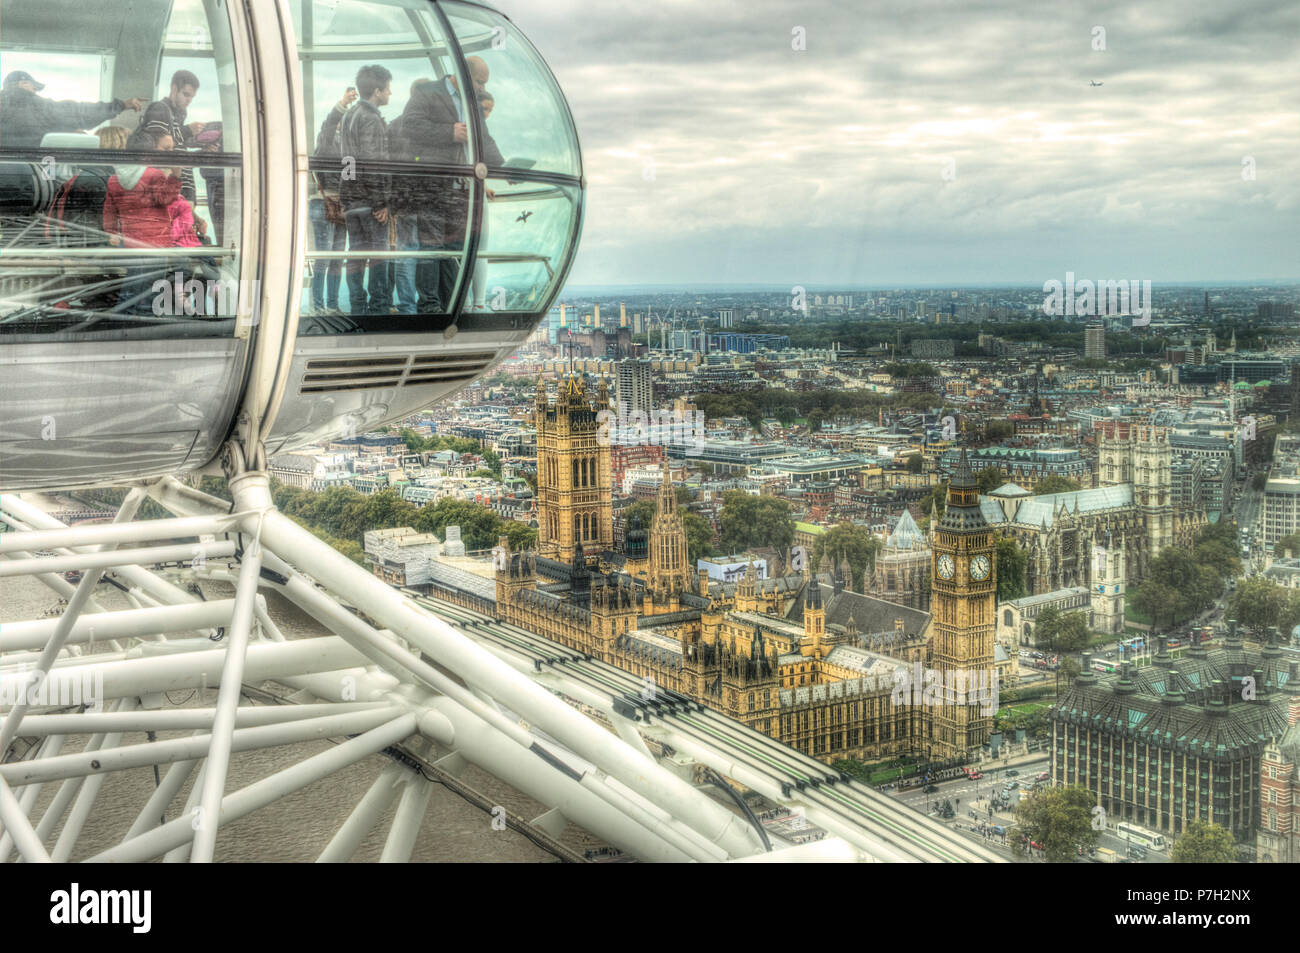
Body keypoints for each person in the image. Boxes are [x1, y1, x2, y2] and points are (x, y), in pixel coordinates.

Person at [396, 56, 494, 313]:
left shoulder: (472, 104)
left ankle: (451, 305)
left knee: (453, 248)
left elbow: (485, 139)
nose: (482, 88)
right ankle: (430, 306)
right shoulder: (427, 92)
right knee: (432, 245)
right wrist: (449, 132)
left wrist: (506, 169)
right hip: (432, 185)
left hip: (459, 190)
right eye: (480, 82)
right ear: (463, 75)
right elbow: (409, 125)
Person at [102, 128, 183, 313]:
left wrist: (111, 233)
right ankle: (144, 320)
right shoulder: (154, 174)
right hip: (156, 243)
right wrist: (176, 176)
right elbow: (165, 198)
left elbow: (109, 211)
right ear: (149, 153)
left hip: (131, 241)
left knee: (132, 285)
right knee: (152, 288)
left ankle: (124, 317)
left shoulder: (114, 178)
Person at [338, 64, 392, 316]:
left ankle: (357, 307)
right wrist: (381, 201)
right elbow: (372, 161)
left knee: (356, 253)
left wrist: (347, 197)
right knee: (378, 253)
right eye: (388, 89)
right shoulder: (370, 118)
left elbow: (347, 161)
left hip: (352, 199)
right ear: (377, 91)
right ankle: (378, 308)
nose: (390, 93)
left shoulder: (349, 115)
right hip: (370, 200)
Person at [0, 70, 145, 149]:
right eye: (34, 88)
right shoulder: (37, 106)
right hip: (31, 169)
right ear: (23, 84)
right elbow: (79, 113)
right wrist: (121, 105)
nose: (35, 92)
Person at [309, 87, 356, 313]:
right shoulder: (327, 141)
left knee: (335, 257)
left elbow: (351, 177)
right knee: (326, 256)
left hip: (341, 204)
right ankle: (319, 306)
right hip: (324, 202)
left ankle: (332, 305)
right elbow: (328, 126)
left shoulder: (348, 146)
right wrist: (342, 104)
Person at [141, 70, 205, 207]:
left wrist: (203, 148)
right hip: (171, 188)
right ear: (174, 88)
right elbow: (158, 147)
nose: (189, 100)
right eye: (186, 94)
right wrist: (188, 130)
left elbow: (179, 147)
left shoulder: (179, 114)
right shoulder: (159, 109)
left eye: (192, 97)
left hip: (183, 186)